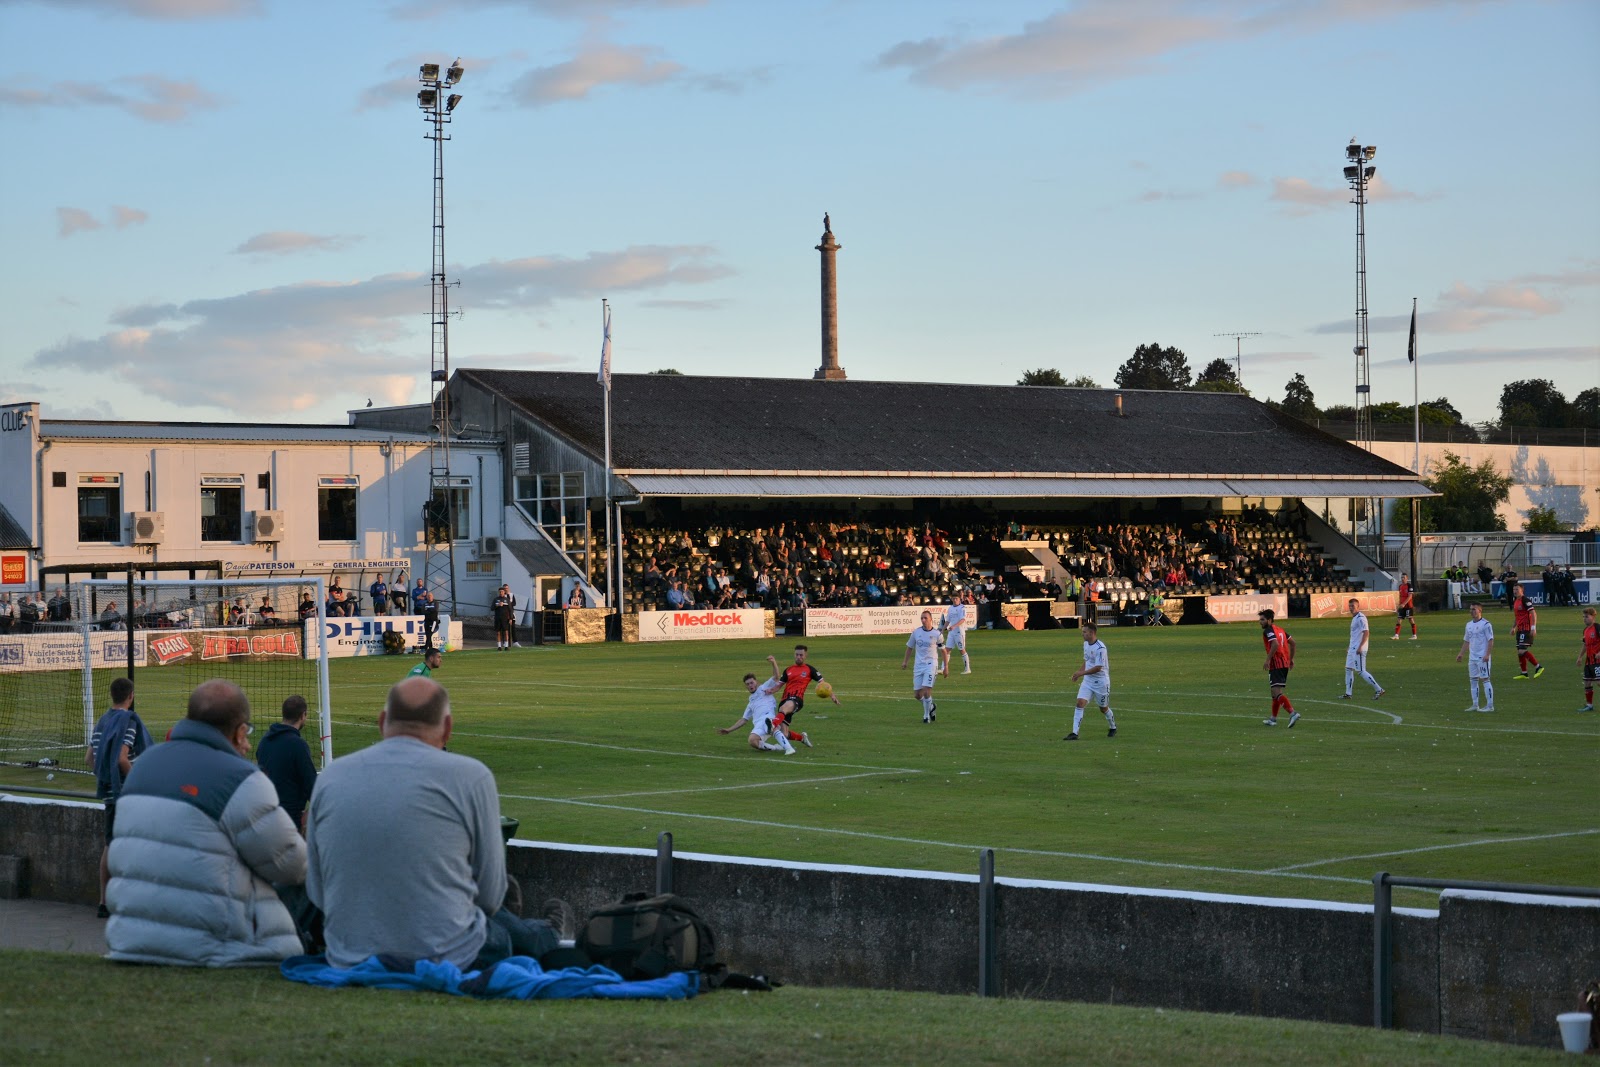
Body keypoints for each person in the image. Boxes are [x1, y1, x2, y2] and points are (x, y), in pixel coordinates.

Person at [305, 676, 565, 971]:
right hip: (450, 955)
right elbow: (490, 896)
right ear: (448, 729)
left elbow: (317, 890)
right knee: (501, 935)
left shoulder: (330, 777)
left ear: (381, 722)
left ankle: (533, 931)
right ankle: (544, 936)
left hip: (350, 953)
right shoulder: (470, 777)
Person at [106, 679, 309, 966]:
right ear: (239, 733)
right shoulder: (241, 780)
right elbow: (293, 865)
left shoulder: (143, 768)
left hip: (130, 940)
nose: (249, 744)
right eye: (246, 733)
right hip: (217, 947)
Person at [87, 677, 152, 919]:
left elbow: (89, 758)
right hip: (128, 795)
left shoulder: (102, 722)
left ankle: (103, 901)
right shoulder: (129, 721)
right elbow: (122, 759)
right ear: (131, 696)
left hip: (110, 796)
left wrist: (105, 780)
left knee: (110, 846)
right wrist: (136, 782)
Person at [257, 695, 318, 833]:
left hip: (265, 816)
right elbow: (311, 785)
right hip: (289, 819)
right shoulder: (298, 745)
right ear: (303, 715)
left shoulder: (265, 741)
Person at [717, 656, 793, 754]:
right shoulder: (751, 702)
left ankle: (789, 748)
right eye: (748, 684)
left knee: (769, 726)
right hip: (758, 724)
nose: (750, 685)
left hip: (768, 717)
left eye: (751, 683)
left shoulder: (764, 688)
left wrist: (773, 662)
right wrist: (729, 730)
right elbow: (743, 720)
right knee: (752, 741)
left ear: (756, 682)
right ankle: (776, 748)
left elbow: (776, 677)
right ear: (746, 686)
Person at [773, 644, 838, 747]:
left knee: (783, 708)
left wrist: (832, 695)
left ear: (805, 655)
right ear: (794, 655)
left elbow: (823, 684)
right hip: (785, 699)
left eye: (801, 655)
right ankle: (802, 738)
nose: (799, 657)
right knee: (784, 734)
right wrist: (768, 691)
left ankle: (773, 724)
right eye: (797, 655)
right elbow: (778, 686)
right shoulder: (788, 670)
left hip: (797, 700)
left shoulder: (809, 669)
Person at [1065, 621, 1116, 741]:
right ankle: (1074, 733)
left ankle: (1113, 727)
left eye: (1084, 632)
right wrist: (1078, 672)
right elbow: (1087, 661)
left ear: (1092, 633)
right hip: (1088, 681)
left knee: (1103, 708)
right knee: (1080, 703)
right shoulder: (1086, 644)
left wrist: (1081, 673)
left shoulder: (1100, 648)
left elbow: (1098, 667)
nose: (1082, 634)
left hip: (1101, 683)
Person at [1258, 608, 1299, 727]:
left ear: (1269, 620)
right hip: (1284, 664)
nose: (1260, 622)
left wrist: (1268, 659)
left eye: (1263, 619)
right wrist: (1290, 659)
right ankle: (1273, 719)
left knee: (1276, 692)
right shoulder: (1280, 630)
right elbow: (1293, 643)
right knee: (1274, 693)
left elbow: (1275, 643)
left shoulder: (1268, 631)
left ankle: (1292, 713)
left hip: (1276, 664)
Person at [901, 610, 943, 724]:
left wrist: (946, 666)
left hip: (931, 665)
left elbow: (943, 650)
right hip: (918, 665)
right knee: (917, 695)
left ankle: (926, 716)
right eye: (922, 618)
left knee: (926, 689)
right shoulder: (916, 633)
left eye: (925, 618)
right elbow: (909, 647)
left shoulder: (937, 634)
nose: (923, 620)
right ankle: (931, 707)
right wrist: (905, 661)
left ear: (931, 619)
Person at [1456, 601, 1496, 713]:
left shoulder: (1486, 624)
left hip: (1482, 657)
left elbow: (1490, 640)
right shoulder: (1468, 625)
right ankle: (1475, 704)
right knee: (1473, 680)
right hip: (1472, 657)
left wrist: (1487, 654)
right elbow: (1466, 641)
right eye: (1470, 609)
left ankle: (1490, 705)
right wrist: (1461, 654)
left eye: (1474, 609)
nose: (1471, 611)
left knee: (1485, 679)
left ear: (1480, 610)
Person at [1343, 598, 1385, 700]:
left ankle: (1379, 689)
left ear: (1358, 606)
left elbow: (1366, 632)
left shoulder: (1361, 618)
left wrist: (1360, 647)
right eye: (1350, 606)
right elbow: (1355, 634)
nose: (1351, 608)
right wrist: (1350, 646)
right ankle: (1348, 694)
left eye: (1353, 606)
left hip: (1359, 649)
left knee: (1361, 671)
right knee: (1348, 669)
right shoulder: (1355, 618)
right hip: (1353, 648)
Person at [1509, 583, 1544, 680]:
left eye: (1517, 589)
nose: (1515, 591)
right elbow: (1517, 616)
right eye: (1514, 589)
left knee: (1522, 650)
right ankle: (1524, 673)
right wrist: (1513, 627)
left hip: (1526, 628)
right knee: (1519, 651)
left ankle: (1538, 667)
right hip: (1520, 629)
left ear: (1522, 590)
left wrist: (1533, 627)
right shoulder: (1515, 601)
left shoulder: (1525, 600)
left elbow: (1533, 613)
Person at [941, 592, 972, 677]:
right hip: (951, 632)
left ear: (959, 599)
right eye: (953, 599)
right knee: (947, 650)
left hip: (959, 632)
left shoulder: (962, 608)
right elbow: (948, 620)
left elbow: (962, 620)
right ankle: (943, 668)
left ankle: (967, 668)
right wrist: (943, 629)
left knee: (962, 650)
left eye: (956, 599)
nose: (955, 600)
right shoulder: (950, 608)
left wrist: (954, 626)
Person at [1577, 607, 1598, 713]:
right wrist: (1580, 657)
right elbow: (1585, 645)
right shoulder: (1585, 630)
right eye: (1583, 617)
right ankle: (1589, 705)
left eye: (1587, 617)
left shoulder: (1597, 628)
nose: (1584, 619)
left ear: (1593, 617)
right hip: (1589, 661)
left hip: (1598, 662)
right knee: (1587, 682)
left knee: (1599, 682)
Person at [1391, 574, 1417, 640]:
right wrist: (1399, 605)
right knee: (1399, 619)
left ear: (1407, 578)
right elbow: (1400, 596)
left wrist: (1404, 604)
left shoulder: (1409, 586)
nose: (1402, 579)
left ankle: (1414, 635)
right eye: (1401, 577)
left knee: (1410, 619)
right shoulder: (1400, 586)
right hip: (1402, 606)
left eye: (1404, 577)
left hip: (1408, 606)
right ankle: (1396, 635)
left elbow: (1410, 596)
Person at [415, 583, 439, 649]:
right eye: (428, 596)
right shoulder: (425, 603)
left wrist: (428, 610)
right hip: (427, 621)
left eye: (430, 596)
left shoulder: (435, 603)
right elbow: (423, 611)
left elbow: (435, 610)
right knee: (427, 634)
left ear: (433, 597)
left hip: (433, 621)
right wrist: (429, 610)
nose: (429, 597)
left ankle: (425, 647)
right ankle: (431, 648)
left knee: (430, 634)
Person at [492, 584, 516, 650]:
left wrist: (511, 618)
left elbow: (510, 610)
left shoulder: (507, 600)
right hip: (497, 618)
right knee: (498, 632)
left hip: (505, 619)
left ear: (504, 592)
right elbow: (492, 608)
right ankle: (499, 646)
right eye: (500, 592)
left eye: (502, 591)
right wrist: (498, 605)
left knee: (506, 632)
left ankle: (506, 646)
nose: (501, 593)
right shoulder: (496, 599)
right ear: (498, 592)